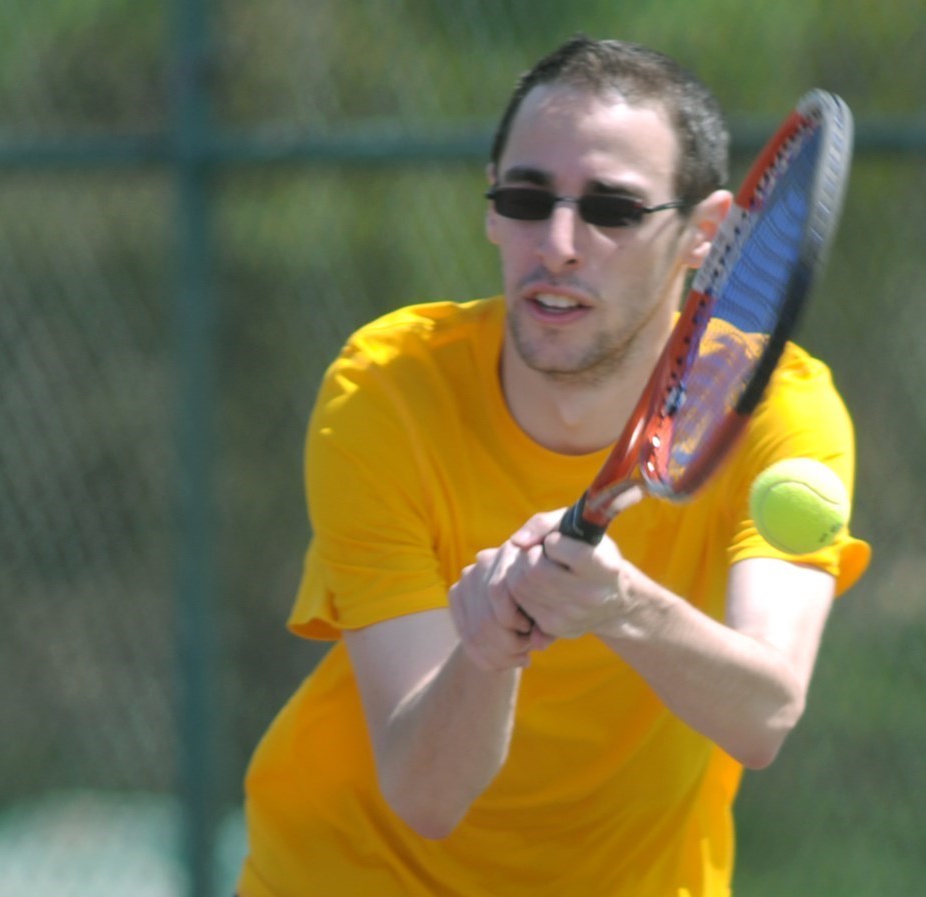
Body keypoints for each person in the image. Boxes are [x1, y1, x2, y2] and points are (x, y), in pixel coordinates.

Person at [236, 35, 870, 897]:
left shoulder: (779, 412)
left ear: (705, 232)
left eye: (611, 209)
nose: (559, 242)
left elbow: (762, 714)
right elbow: (426, 794)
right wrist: (489, 652)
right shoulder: (384, 392)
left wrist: (619, 604)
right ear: (491, 210)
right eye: (526, 198)